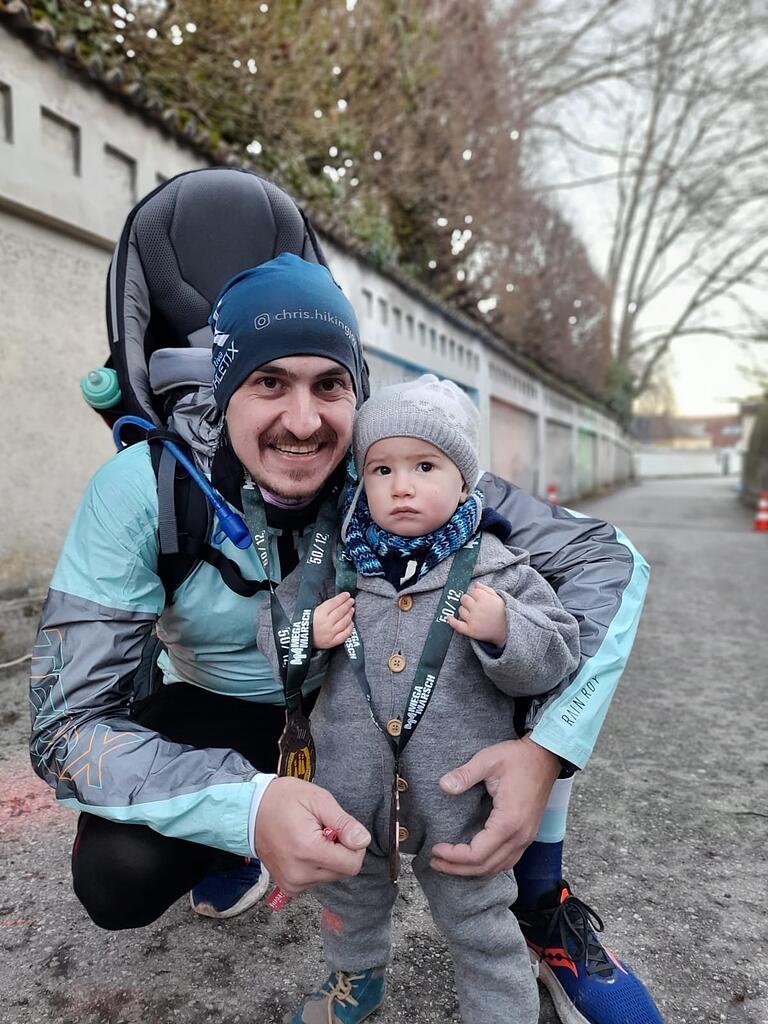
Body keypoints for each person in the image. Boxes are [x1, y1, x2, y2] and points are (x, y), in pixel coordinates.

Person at [29, 253, 663, 1023]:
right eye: (269, 383)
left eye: (329, 385)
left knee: (526, 632)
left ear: (357, 392)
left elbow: (606, 558)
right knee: (117, 877)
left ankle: (538, 898)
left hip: (391, 711)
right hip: (231, 704)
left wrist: (548, 751)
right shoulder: (141, 491)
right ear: (226, 386)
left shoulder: (396, 463)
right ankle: (244, 847)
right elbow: (66, 727)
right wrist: (245, 810)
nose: (303, 422)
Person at [258, 374, 581, 1023]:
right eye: (382, 469)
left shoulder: (500, 570)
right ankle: (355, 981)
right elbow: (271, 639)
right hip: (349, 787)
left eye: (425, 465)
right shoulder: (330, 570)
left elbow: (558, 655)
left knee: (481, 921)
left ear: (465, 482)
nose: (401, 485)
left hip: (458, 800)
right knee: (347, 900)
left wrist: (506, 630)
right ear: (361, 481)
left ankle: (501, 1009)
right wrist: (307, 636)